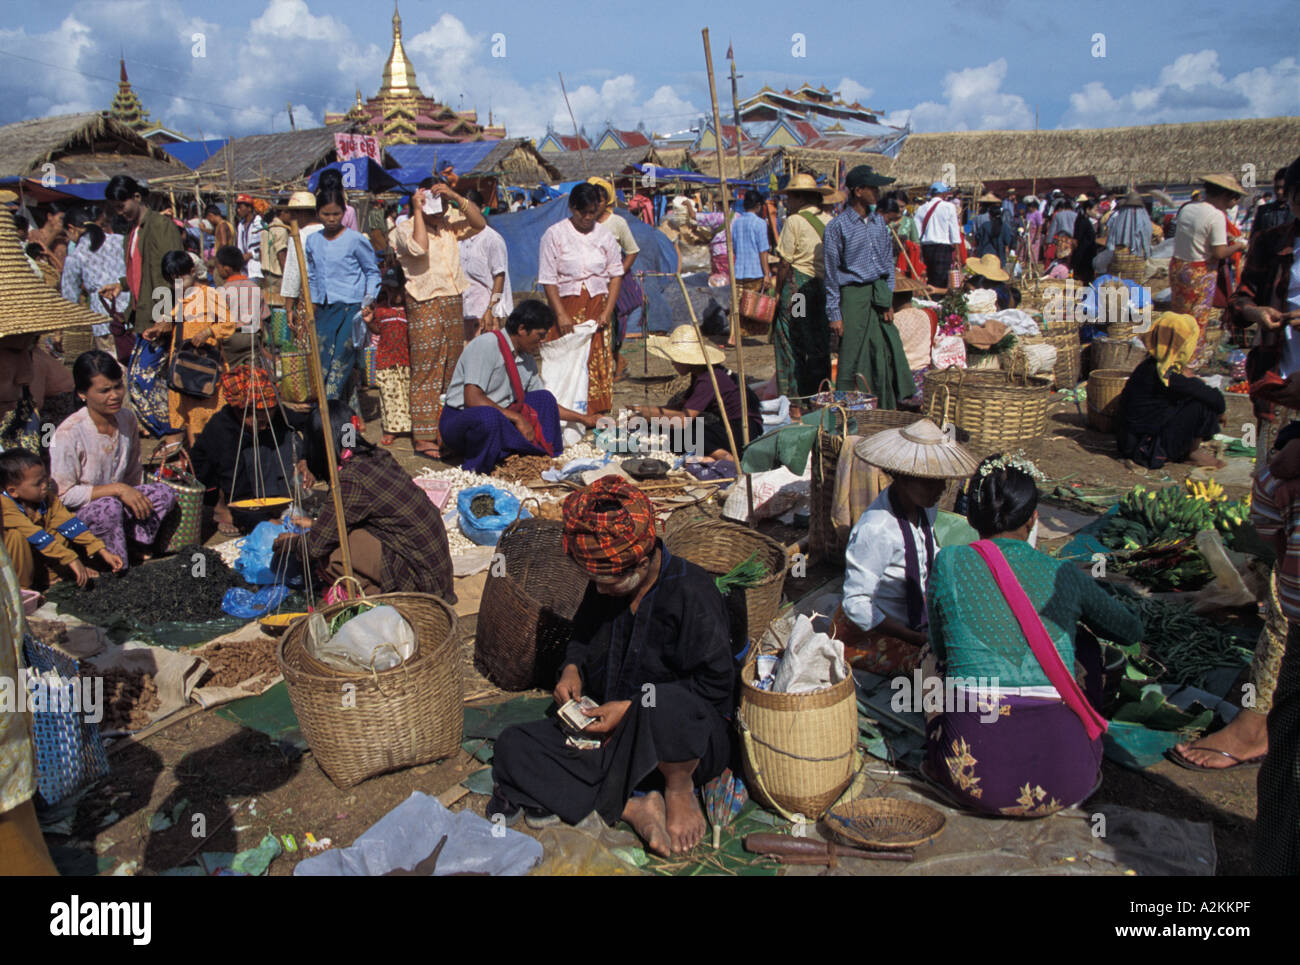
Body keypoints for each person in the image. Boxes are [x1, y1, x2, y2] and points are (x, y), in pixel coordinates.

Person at [489, 477, 734, 856]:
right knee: (512, 747)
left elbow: (715, 690)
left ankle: (678, 790)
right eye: (596, 582)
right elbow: (583, 639)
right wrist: (572, 669)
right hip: (617, 745)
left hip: (685, 746)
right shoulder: (604, 583)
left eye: (610, 583)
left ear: (642, 560)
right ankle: (633, 806)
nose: (600, 591)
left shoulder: (692, 592)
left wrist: (632, 711)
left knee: (663, 702)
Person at [924, 455, 1143, 816]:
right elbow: (1129, 630)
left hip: (974, 779)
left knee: (928, 661)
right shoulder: (1063, 575)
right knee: (1086, 646)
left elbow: (938, 645)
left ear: (972, 517)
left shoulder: (948, 562)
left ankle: (937, 759)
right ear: (1032, 519)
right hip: (1067, 782)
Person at [833, 419, 977, 673]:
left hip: (917, 615)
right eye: (930, 481)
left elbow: (926, 553)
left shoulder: (925, 507)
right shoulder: (876, 529)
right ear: (902, 477)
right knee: (945, 667)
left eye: (942, 480)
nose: (941, 489)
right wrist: (912, 637)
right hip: (874, 631)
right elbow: (857, 603)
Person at [274, 401, 455, 600]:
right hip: (436, 575)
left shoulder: (352, 479)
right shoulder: (376, 456)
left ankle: (376, 596)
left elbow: (317, 545)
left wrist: (290, 544)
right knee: (339, 532)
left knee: (333, 552)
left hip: (422, 584)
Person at [49, 351, 177, 565]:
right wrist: (117, 489)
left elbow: (133, 471)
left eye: (118, 386)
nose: (115, 395)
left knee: (164, 493)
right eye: (104, 390)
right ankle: (114, 562)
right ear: (83, 393)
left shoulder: (126, 419)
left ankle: (134, 543)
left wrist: (133, 496)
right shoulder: (68, 434)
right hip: (84, 515)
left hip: (118, 502)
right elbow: (63, 496)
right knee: (109, 507)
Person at [439, 300, 597, 473]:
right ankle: (480, 469)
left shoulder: (526, 358)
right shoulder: (486, 345)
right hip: (464, 421)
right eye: (540, 335)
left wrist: (584, 419)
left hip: (503, 417)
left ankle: (547, 457)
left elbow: (546, 404)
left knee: (544, 399)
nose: (542, 341)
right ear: (522, 329)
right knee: (489, 417)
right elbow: (473, 399)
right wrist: (517, 419)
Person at [390, 176, 485, 458]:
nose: (440, 207)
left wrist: (455, 196)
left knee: (452, 366)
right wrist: (417, 210)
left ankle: (447, 429)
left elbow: (479, 223)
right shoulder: (403, 229)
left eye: (442, 201)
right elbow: (419, 248)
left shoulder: (449, 226)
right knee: (427, 368)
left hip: (452, 300)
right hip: (424, 302)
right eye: (435, 201)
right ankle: (423, 436)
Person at [824, 164, 913, 409]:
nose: (877, 192)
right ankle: (848, 412)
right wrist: (835, 314)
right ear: (859, 191)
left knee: (882, 351)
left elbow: (887, 263)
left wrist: (887, 301)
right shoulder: (837, 227)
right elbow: (831, 274)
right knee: (852, 356)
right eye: (873, 187)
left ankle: (884, 407)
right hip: (852, 296)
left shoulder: (878, 224)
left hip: (878, 295)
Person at [191, 366, 313, 535]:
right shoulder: (223, 431)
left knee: (288, 436)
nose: (264, 419)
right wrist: (263, 522)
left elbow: (310, 424)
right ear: (239, 410)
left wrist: (306, 458)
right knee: (253, 454)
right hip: (218, 480)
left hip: (253, 469)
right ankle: (222, 508)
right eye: (256, 415)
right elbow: (235, 485)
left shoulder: (276, 413)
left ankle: (273, 501)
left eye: (269, 412)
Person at [539, 183, 625, 416]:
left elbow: (616, 275)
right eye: (582, 212)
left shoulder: (604, 234)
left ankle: (596, 411)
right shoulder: (555, 234)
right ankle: (565, 409)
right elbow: (548, 279)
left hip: (598, 304)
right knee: (567, 358)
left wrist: (607, 312)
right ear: (572, 208)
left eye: (592, 213)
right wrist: (561, 314)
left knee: (597, 356)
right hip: (567, 304)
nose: (587, 218)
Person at [297, 184, 380, 410]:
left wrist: (368, 300)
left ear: (344, 213)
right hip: (324, 311)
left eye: (336, 214)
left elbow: (372, 271)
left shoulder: (355, 240)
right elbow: (312, 277)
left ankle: (326, 414)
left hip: (351, 311)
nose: (332, 219)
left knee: (339, 368)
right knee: (324, 365)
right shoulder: (313, 241)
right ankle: (347, 434)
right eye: (326, 214)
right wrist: (311, 308)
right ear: (318, 214)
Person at [140, 249, 236, 445]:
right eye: (172, 279)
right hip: (184, 369)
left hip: (204, 368)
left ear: (192, 271)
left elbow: (228, 323)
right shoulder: (182, 299)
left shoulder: (208, 294)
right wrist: (157, 330)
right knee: (190, 421)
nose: (176, 283)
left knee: (209, 420)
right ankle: (197, 463)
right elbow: (172, 323)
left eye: (180, 277)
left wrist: (208, 333)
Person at [1, 447, 123, 590]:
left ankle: (56, 575)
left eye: (45, 479)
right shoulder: (4, 505)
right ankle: (22, 589)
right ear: (12, 491)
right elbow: (34, 535)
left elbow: (70, 525)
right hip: (14, 566)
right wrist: (71, 559)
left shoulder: (48, 499)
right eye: (37, 484)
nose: (45, 485)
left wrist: (102, 550)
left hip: (40, 560)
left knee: (61, 530)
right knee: (16, 536)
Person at [633, 324, 760, 460]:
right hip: (727, 426)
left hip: (743, 431)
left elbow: (683, 420)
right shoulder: (699, 374)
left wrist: (649, 416)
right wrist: (645, 411)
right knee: (673, 435)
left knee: (686, 434)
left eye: (675, 359)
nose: (672, 364)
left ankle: (724, 457)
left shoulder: (709, 379)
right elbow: (681, 407)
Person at [1115, 312, 1225, 469]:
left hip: (1129, 442)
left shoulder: (1149, 366)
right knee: (1202, 403)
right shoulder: (1166, 375)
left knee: (1195, 392)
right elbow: (1216, 399)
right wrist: (1220, 412)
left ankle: (1189, 449)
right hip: (1145, 448)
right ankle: (1192, 453)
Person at [1171, 174, 1249, 370]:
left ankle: (1174, 355)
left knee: (1181, 315)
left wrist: (1226, 237)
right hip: (1200, 272)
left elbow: (1198, 233)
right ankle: (1190, 363)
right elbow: (1219, 252)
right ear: (1226, 196)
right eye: (1234, 198)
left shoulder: (1188, 208)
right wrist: (1238, 246)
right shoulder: (1215, 216)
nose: (1235, 202)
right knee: (1197, 320)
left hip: (1179, 266)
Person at [771, 174, 833, 414]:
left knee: (791, 338)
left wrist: (777, 293)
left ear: (798, 197)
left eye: (789, 197)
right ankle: (820, 394)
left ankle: (794, 401)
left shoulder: (794, 221)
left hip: (798, 292)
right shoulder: (828, 219)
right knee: (817, 342)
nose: (787, 202)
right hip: (821, 288)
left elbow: (785, 262)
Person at [97, 175, 184, 334]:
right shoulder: (131, 233)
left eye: (122, 206)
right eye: (115, 208)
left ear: (136, 197)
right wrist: (121, 285)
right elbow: (141, 274)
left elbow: (173, 275)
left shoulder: (160, 225)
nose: (119, 212)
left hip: (159, 320)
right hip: (142, 317)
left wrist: (166, 316)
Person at [587, 178, 642, 366]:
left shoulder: (617, 222)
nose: (596, 205)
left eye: (600, 200)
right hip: (592, 279)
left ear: (607, 201)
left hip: (613, 279)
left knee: (613, 320)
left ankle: (616, 360)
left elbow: (632, 251)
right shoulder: (584, 222)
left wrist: (617, 274)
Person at [60, 210, 129, 359]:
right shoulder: (120, 240)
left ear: (71, 229)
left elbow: (69, 298)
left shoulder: (75, 256)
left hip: (104, 320)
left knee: (114, 367)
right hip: (132, 311)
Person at [457, 188, 512, 340]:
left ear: (481, 209)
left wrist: (491, 311)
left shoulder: (492, 239)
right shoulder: (456, 237)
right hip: (462, 310)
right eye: (461, 209)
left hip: (484, 310)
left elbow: (500, 277)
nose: (464, 214)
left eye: (470, 209)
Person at [368, 267, 411, 446]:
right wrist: (369, 322)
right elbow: (377, 329)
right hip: (386, 359)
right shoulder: (381, 309)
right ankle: (391, 429)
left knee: (406, 394)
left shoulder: (409, 309)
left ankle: (409, 427)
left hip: (406, 360)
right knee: (388, 395)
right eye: (387, 289)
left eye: (394, 288)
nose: (391, 292)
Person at [214, 245, 270, 367]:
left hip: (232, 339)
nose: (217, 270)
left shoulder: (223, 291)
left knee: (233, 371)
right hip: (252, 337)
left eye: (218, 266)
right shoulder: (254, 287)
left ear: (227, 269)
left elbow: (217, 321)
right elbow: (264, 316)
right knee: (253, 373)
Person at [914, 182, 962, 289]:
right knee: (941, 279)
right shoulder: (949, 207)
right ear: (944, 194)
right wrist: (957, 253)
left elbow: (917, 232)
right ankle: (937, 301)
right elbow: (954, 231)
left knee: (929, 277)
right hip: (943, 248)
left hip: (926, 248)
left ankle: (930, 302)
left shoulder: (921, 208)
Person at [1105, 191, 1153, 260]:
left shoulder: (1120, 216)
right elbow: (1147, 233)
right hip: (1138, 257)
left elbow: (1112, 237)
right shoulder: (1143, 215)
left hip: (1121, 257)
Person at [972, 194, 1016, 267]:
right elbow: (1008, 242)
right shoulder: (1005, 227)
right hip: (999, 256)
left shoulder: (984, 225)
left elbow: (977, 238)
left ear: (990, 215)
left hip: (985, 256)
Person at [1251, 168, 1294, 240]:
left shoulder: (1296, 212)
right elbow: (1255, 236)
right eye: (1277, 188)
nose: (1279, 192)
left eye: (1282, 188)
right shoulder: (1263, 211)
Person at [1071, 196, 1101, 285]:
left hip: (1086, 255)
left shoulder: (1084, 220)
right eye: (1095, 210)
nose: (1097, 212)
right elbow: (1078, 239)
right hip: (1084, 257)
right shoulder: (1083, 221)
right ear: (1088, 209)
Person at [233, 194, 264, 280]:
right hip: (244, 270)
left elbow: (264, 245)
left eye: (240, 207)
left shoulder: (258, 223)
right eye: (237, 207)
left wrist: (251, 254)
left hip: (256, 269)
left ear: (249, 208)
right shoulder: (241, 225)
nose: (238, 210)